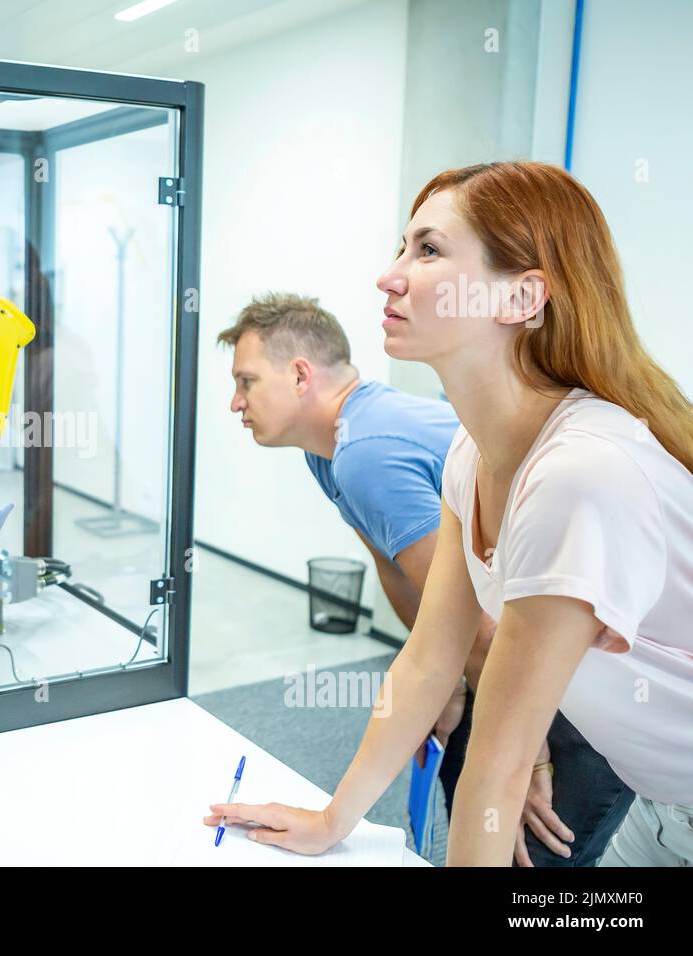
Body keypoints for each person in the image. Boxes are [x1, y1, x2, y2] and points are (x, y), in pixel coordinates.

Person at [207, 161, 693, 865]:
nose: (389, 274)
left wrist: (527, 770)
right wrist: (331, 819)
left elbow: (495, 769)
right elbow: (430, 659)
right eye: (404, 246)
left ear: (523, 297)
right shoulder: (472, 450)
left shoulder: (579, 473)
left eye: (428, 250)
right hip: (661, 801)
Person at [218, 293, 632, 865]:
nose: (234, 402)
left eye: (246, 381)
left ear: (299, 374)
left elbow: (486, 633)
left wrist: (526, 766)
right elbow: (420, 586)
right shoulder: (332, 450)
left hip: (586, 662)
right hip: (521, 636)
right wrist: (451, 684)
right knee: (463, 776)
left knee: (532, 851)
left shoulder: (365, 453)